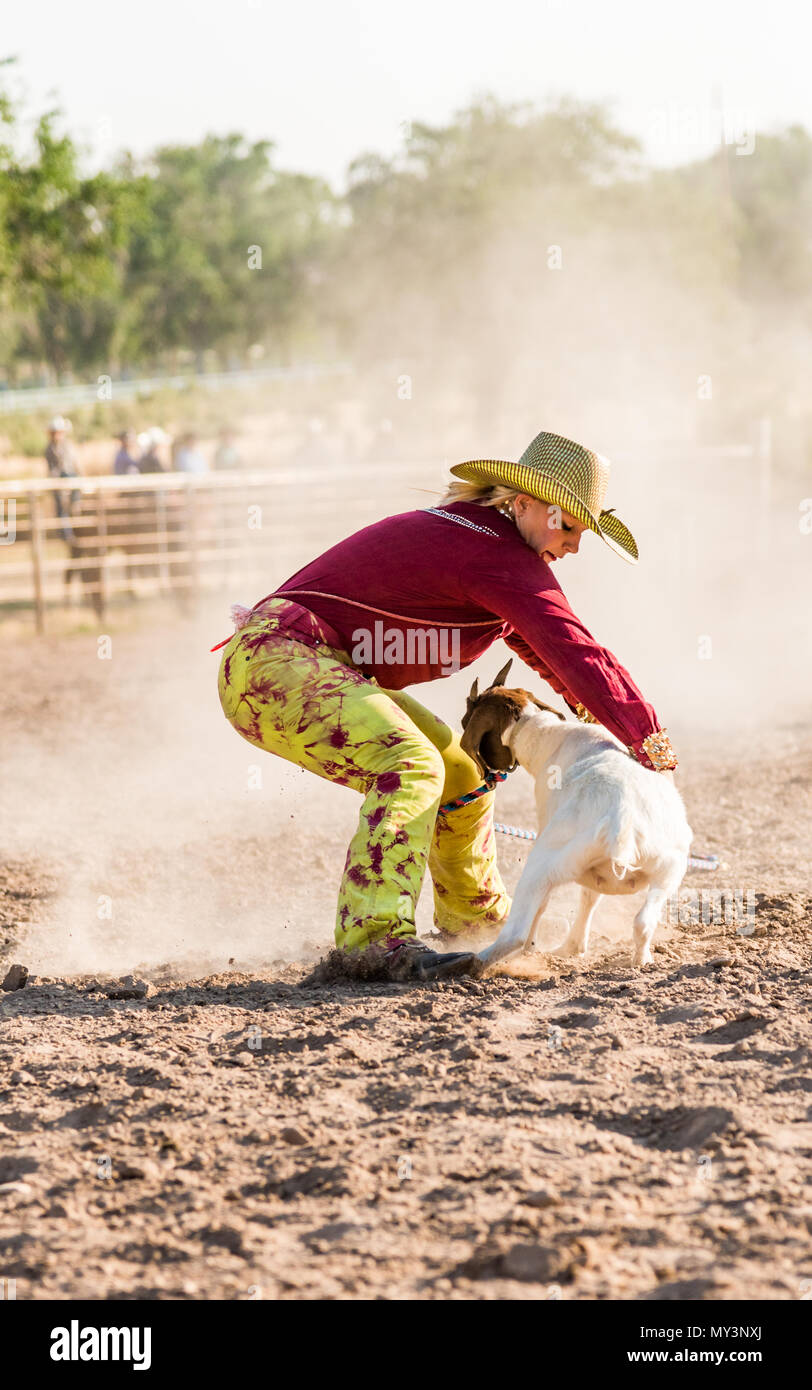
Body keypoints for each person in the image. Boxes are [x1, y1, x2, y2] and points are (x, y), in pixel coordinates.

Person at [214, 430, 679, 982]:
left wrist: (601, 716)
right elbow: (573, 648)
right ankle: (373, 942)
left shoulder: (484, 542)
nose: (576, 544)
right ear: (523, 504)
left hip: (291, 662)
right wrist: (650, 744)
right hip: (278, 662)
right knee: (411, 764)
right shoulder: (497, 555)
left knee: (460, 775)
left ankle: (477, 926)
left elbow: (547, 651)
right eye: (570, 525)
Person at [45, 416, 81, 541]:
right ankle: (67, 534)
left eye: (59, 432)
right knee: (62, 508)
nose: (57, 435)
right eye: (55, 432)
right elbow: (53, 470)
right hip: (59, 482)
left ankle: (75, 530)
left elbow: (75, 466)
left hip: (71, 480)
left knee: (74, 505)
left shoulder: (68, 446)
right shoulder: (50, 449)